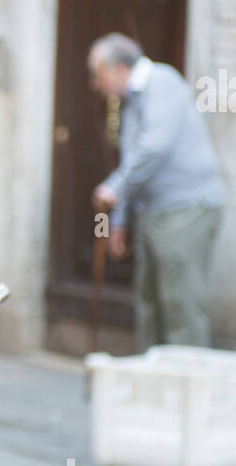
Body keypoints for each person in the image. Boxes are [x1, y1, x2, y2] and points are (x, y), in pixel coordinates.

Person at [87, 32, 226, 349]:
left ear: (117, 69)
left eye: (97, 75)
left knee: (181, 307)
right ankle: (155, 387)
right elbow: (134, 160)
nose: (95, 84)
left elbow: (155, 148)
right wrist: (119, 222)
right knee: (151, 305)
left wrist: (114, 187)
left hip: (185, 210)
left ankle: (187, 390)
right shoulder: (130, 100)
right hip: (154, 212)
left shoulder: (162, 81)